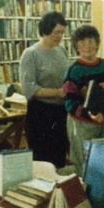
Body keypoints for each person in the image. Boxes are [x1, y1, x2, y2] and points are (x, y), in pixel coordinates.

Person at [62, 24, 104, 177]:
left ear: (97, 43)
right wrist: (87, 113)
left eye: (91, 41)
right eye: (82, 43)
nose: (87, 46)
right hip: (83, 124)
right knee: (83, 166)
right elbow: (69, 102)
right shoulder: (74, 70)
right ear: (76, 47)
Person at [19, 11, 70, 169]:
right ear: (45, 30)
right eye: (56, 32)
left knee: (59, 158)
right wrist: (57, 92)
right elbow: (29, 89)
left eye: (62, 32)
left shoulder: (61, 51)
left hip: (61, 112)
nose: (59, 36)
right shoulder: (31, 54)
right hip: (40, 114)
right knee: (43, 163)